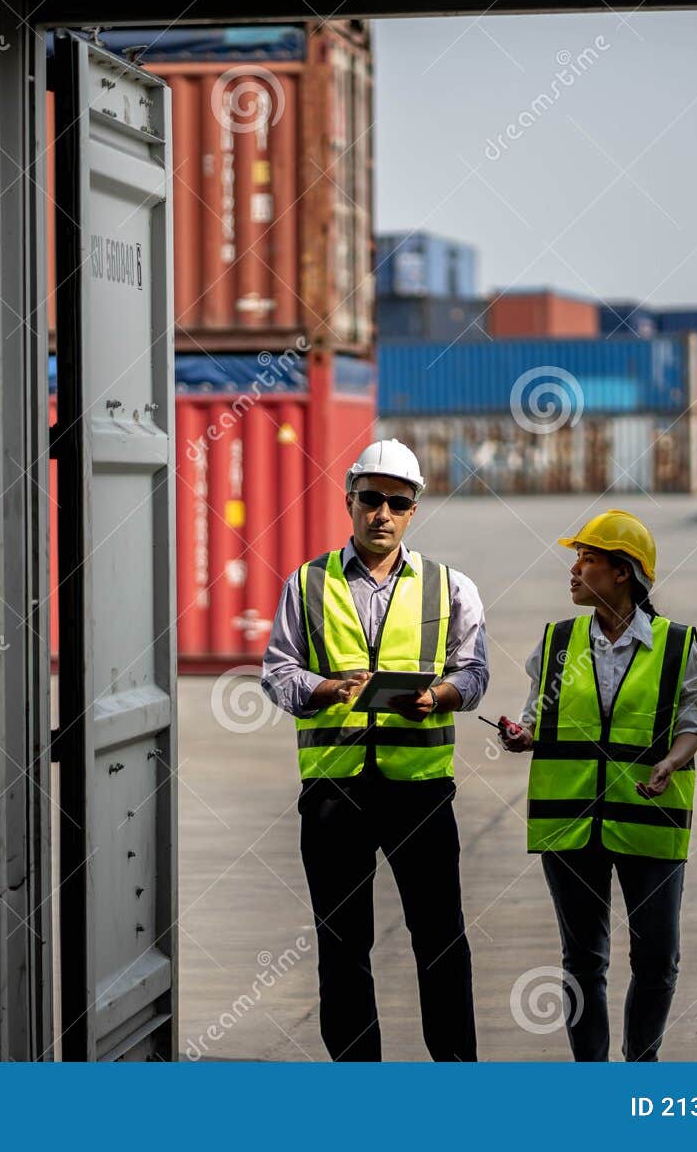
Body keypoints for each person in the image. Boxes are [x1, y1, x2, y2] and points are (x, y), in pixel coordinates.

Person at [260, 438, 488, 1061]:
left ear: (413, 510)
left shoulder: (451, 587)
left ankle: (455, 1074)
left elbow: (474, 675)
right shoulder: (305, 585)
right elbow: (277, 672)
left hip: (420, 793)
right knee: (341, 942)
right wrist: (324, 688)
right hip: (335, 793)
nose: (382, 513)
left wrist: (440, 695)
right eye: (370, 499)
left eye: (397, 502)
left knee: (440, 939)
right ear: (349, 502)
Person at [498, 510, 697, 1061]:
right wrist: (521, 738)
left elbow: (690, 725)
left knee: (658, 959)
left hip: (649, 823)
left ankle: (642, 1070)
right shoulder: (557, 643)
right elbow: (536, 723)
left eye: (586, 558)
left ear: (622, 572)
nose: (574, 568)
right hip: (570, 825)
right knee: (582, 961)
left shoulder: (677, 645)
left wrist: (671, 764)